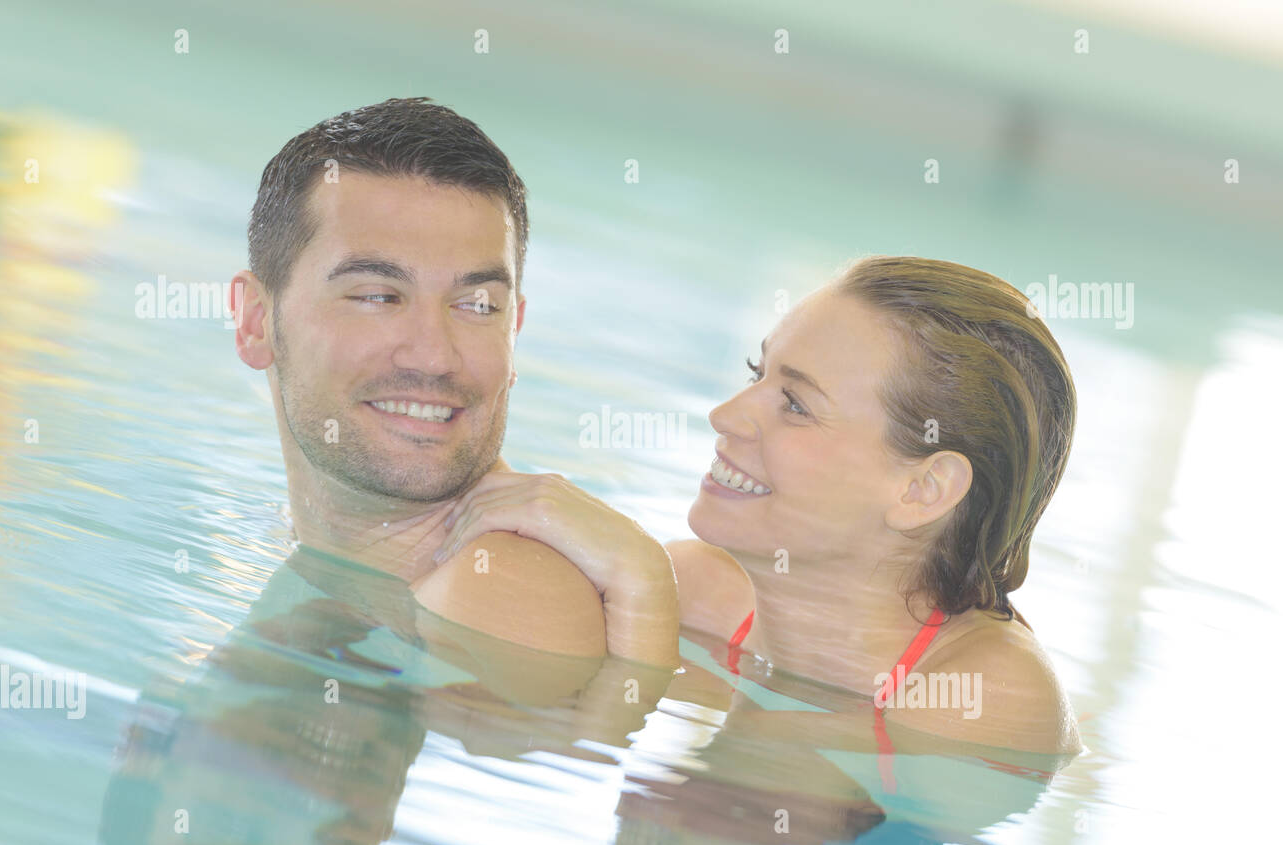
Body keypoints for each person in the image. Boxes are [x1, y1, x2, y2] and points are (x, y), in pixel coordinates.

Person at [436, 256, 1083, 754]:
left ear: (923, 489)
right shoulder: (695, 589)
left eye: (796, 404)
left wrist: (639, 589)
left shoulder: (986, 695)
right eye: (758, 374)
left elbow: (775, 811)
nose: (725, 416)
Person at [228, 97, 679, 668]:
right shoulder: (310, 537)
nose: (435, 355)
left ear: (513, 329)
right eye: (377, 297)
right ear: (255, 321)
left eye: (477, 304)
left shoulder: (493, 595)